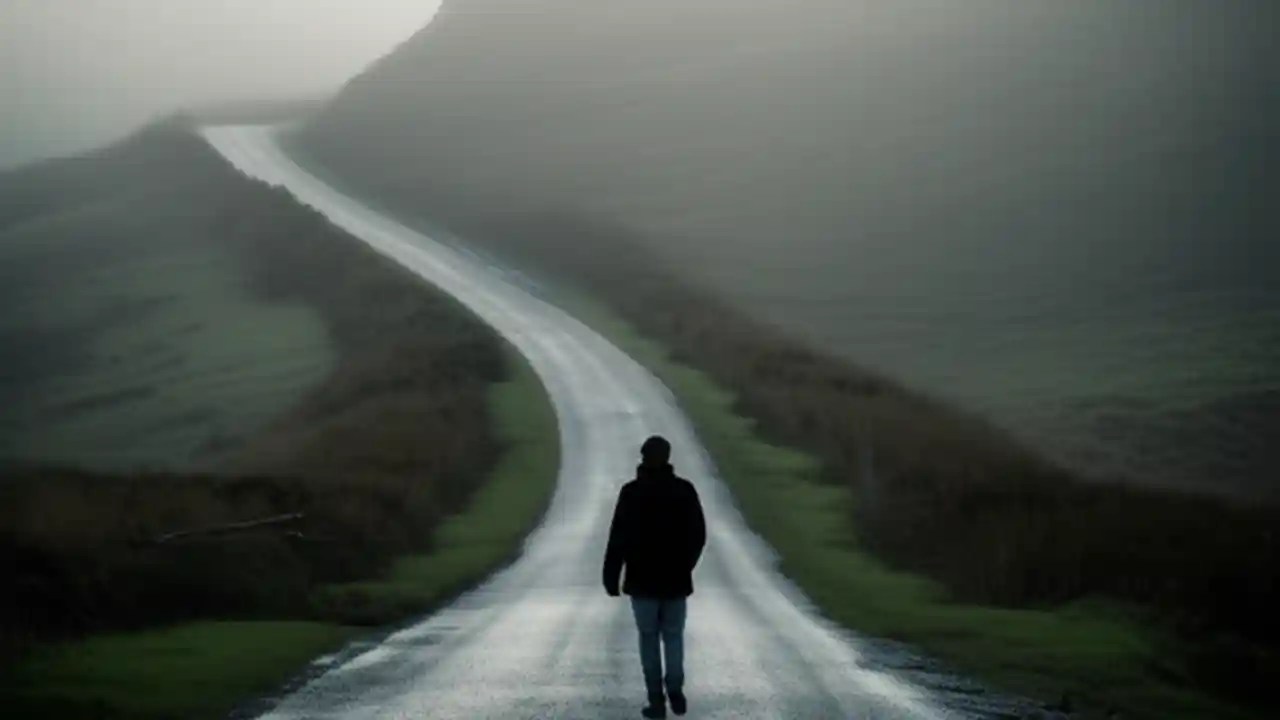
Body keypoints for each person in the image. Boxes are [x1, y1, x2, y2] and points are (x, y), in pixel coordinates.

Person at [603, 435, 707, 719]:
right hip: (675, 580)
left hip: (642, 581)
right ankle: (674, 686)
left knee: (648, 637)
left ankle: (655, 698)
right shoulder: (684, 491)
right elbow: (698, 534)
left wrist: (611, 576)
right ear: (668, 456)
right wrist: (687, 564)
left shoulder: (631, 493)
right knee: (673, 636)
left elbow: (618, 538)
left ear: (643, 457)